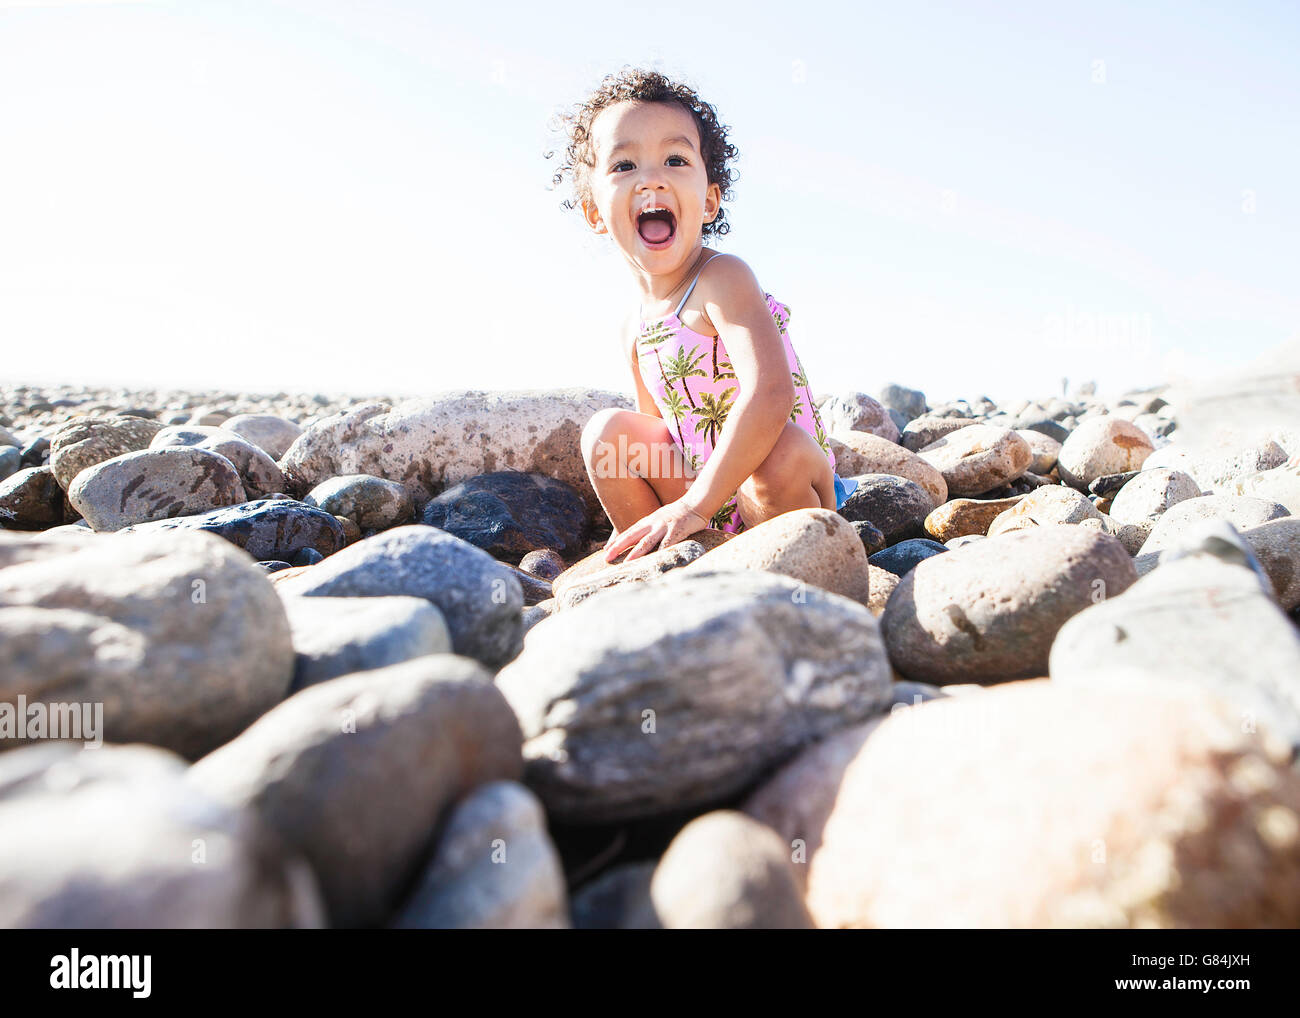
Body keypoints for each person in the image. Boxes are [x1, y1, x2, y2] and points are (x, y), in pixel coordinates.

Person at [551, 67, 858, 564]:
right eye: (624, 165)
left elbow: (770, 393)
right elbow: (658, 435)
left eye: (675, 159)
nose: (651, 178)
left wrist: (696, 503)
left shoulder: (723, 278)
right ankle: (655, 560)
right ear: (593, 211)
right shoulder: (636, 329)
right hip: (698, 502)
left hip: (780, 490)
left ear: (710, 200)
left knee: (776, 457)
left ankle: (795, 568)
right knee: (608, 433)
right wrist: (685, 506)